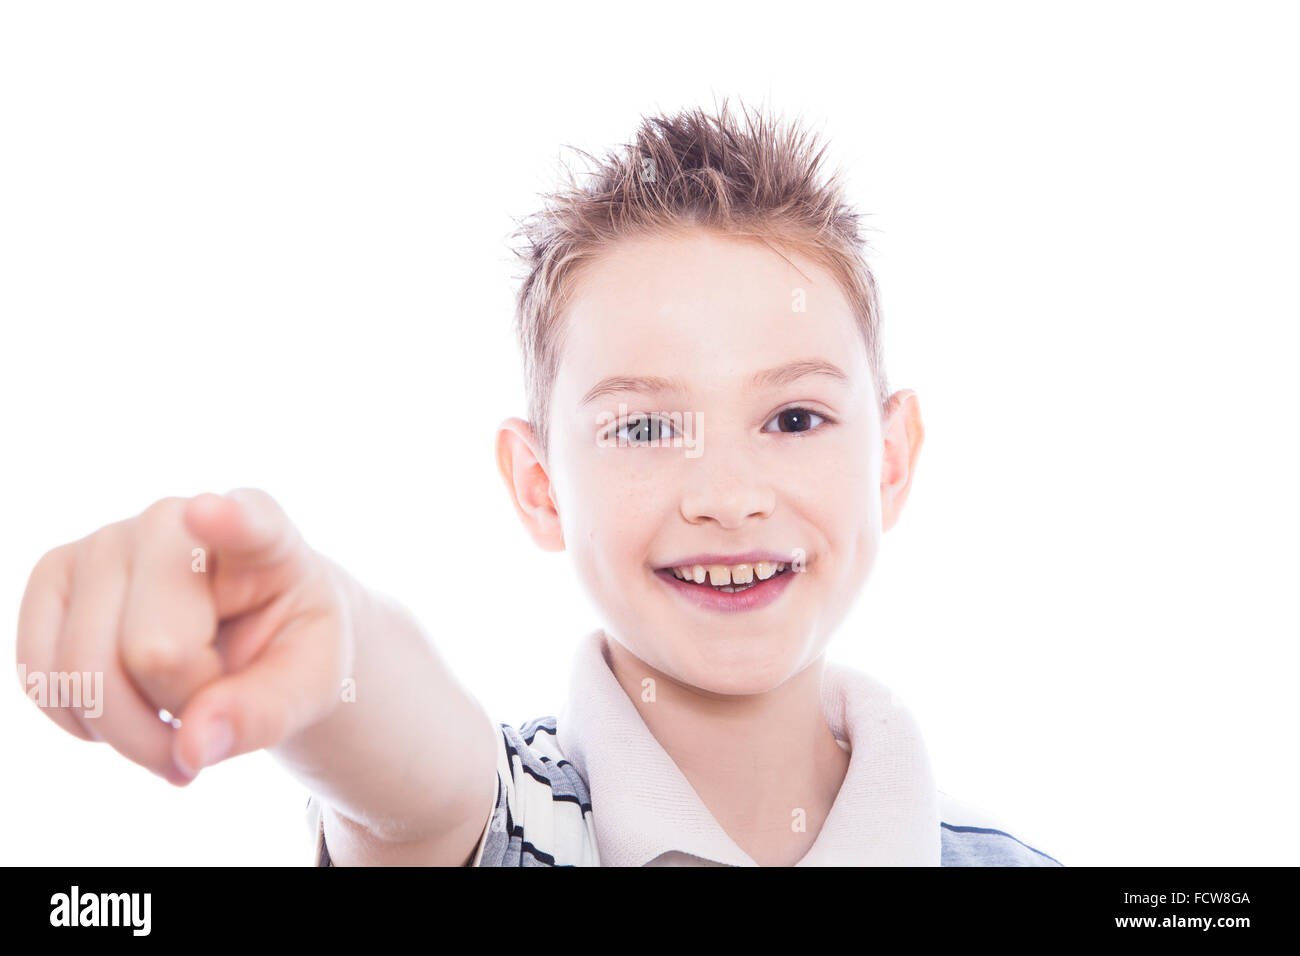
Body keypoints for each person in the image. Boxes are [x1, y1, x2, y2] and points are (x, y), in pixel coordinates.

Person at [16, 100, 1061, 867]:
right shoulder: (506, 819)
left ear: (888, 458)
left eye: (793, 417)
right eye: (645, 425)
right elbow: (414, 771)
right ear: (538, 483)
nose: (729, 493)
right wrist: (322, 630)